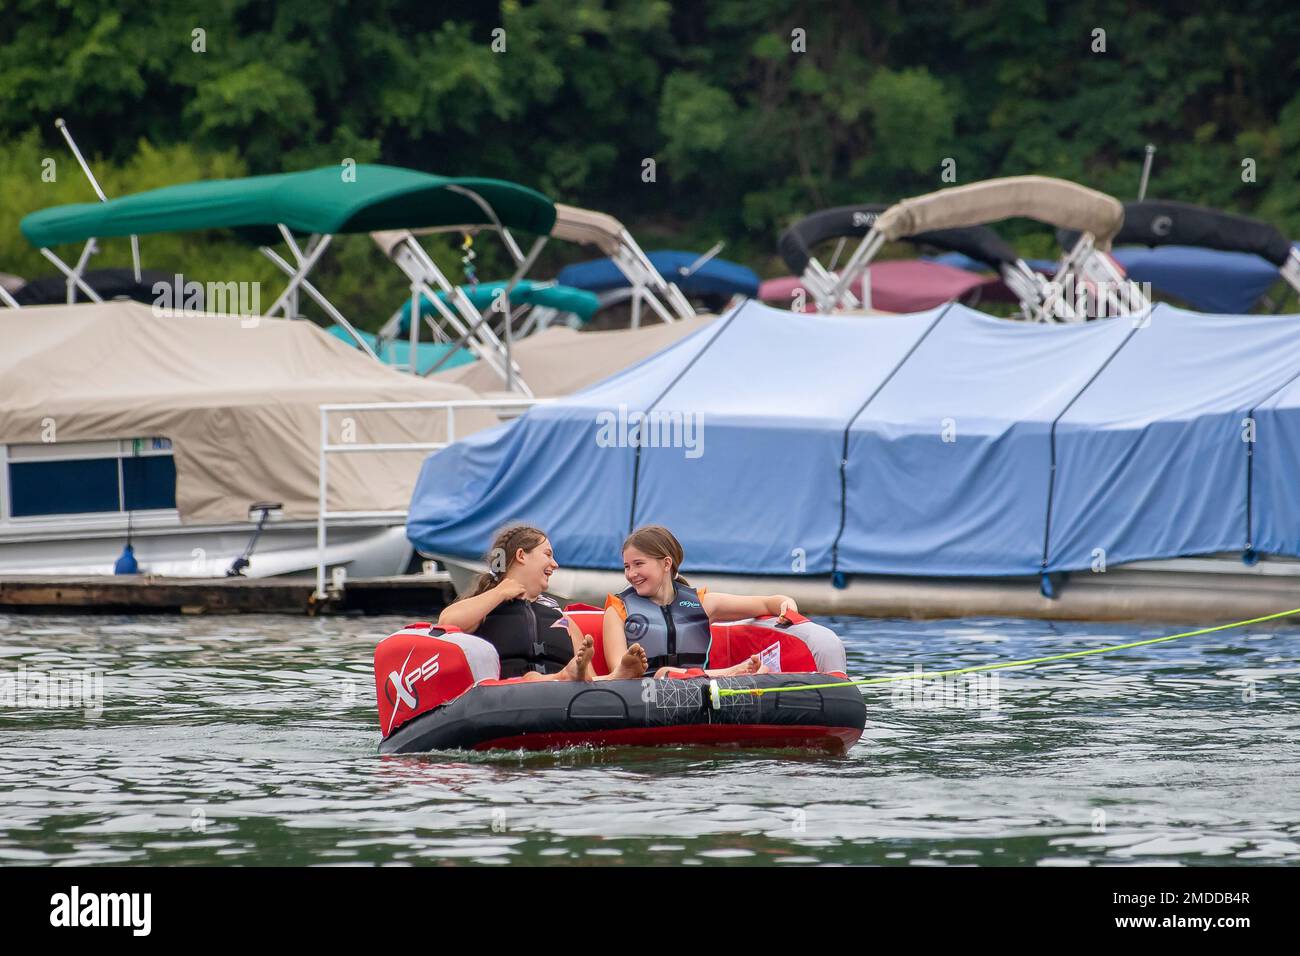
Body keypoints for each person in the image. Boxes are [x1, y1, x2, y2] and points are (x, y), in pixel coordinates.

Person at [438, 524, 648, 681]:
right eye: (547, 554)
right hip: (505, 695)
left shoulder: (562, 619)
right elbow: (448, 621)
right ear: (521, 555)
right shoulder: (486, 605)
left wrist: (618, 676)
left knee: (572, 673)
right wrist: (500, 592)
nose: (555, 564)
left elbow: (588, 680)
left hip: (561, 697)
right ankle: (561, 677)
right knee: (531, 678)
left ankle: (591, 677)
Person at [602, 525, 800, 678]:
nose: (631, 574)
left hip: (701, 691)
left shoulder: (702, 603)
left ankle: (731, 674)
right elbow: (620, 674)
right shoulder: (618, 610)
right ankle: (732, 672)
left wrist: (787, 606)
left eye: (639, 564)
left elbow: (768, 603)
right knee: (663, 673)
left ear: (666, 563)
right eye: (627, 566)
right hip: (645, 694)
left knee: (667, 674)